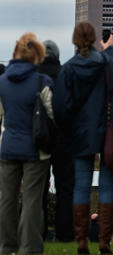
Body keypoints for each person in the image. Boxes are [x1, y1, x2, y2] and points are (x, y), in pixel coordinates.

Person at [54, 22, 113, 255]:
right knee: (107, 186)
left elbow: (60, 107)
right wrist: (110, 49)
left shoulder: (68, 69)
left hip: (80, 133)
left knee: (81, 186)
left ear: (75, 40)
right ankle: (105, 242)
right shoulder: (107, 62)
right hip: (108, 130)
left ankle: (81, 241)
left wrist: (70, 126)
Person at [0, 33, 55, 255]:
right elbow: (52, 114)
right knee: (32, 201)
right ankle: (30, 248)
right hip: (36, 149)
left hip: (8, 147)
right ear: (38, 56)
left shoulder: (2, 81)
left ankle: (6, 246)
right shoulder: (42, 82)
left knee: (6, 199)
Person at [38, 40, 75, 243]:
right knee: (65, 188)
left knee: (38, 190)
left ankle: (39, 233)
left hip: (39, 139)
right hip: (64, 137)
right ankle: (65, 233)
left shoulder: (34, 76)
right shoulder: (65, 74)